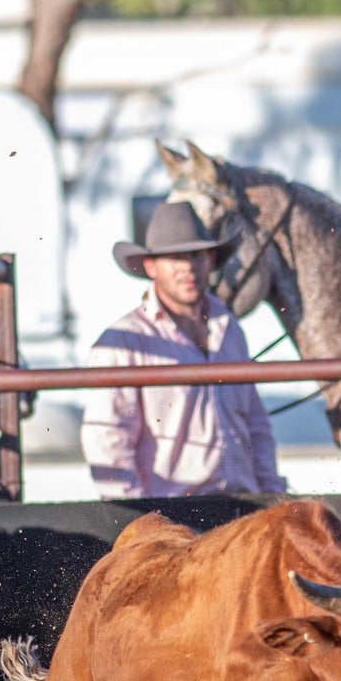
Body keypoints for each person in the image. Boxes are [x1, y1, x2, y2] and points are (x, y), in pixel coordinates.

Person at [80, 202, 286, 499]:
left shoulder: (228, 328)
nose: (188, 267)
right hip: (174, 514)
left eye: (196, 256)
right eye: (175, 258)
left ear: (211, 259)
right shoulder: (124, 341)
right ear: (151, 267)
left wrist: (271, 495)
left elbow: (255, 424)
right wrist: (138, 521)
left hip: (244, 507)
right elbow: (107, 438)